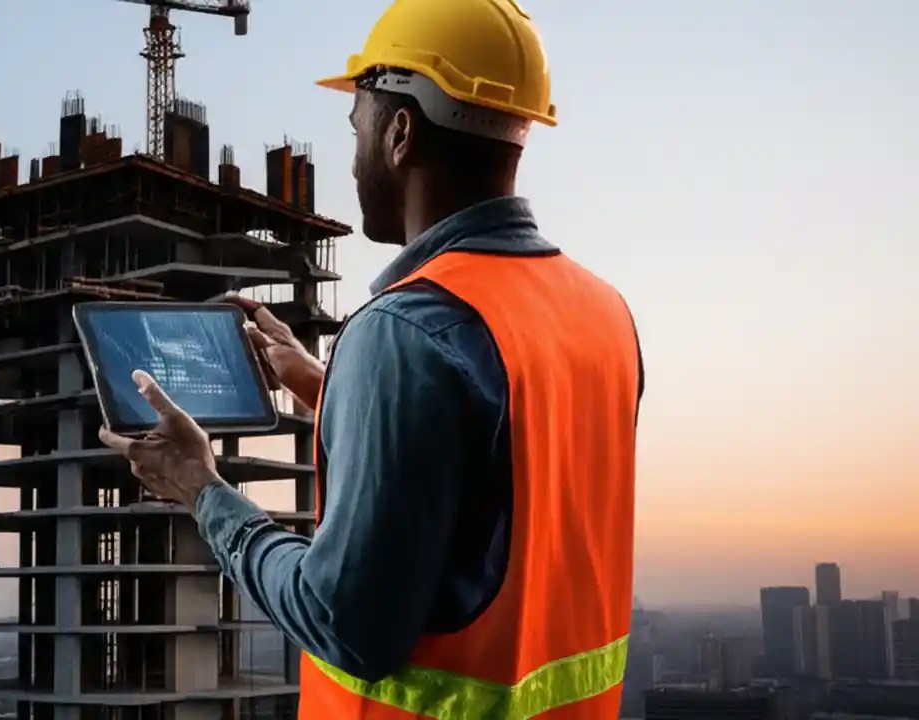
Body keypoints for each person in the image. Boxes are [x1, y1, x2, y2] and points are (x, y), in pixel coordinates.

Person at [98, 0, 645, 717]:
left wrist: (201, 490)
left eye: (355, 123)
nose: (351, 151)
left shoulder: (407, 330)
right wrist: (326, 389)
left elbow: (344, 623)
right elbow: (492, 470)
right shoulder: (603, 313)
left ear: (399, 132)